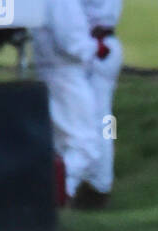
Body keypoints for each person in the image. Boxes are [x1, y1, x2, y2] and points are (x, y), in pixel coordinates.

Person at [32, 0, 98, 205]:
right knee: (85, 145)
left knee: (61, 145)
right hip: (67, 75)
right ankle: (57, 194)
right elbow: (72, 44)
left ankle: (55, 195)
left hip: (54, 74)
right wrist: (95, 47)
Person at [81, 0, 123, 206]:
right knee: (105, 119)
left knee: (99, 120)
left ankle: (98, 184)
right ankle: (101, 180)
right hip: (105, 44)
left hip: (95, 47)